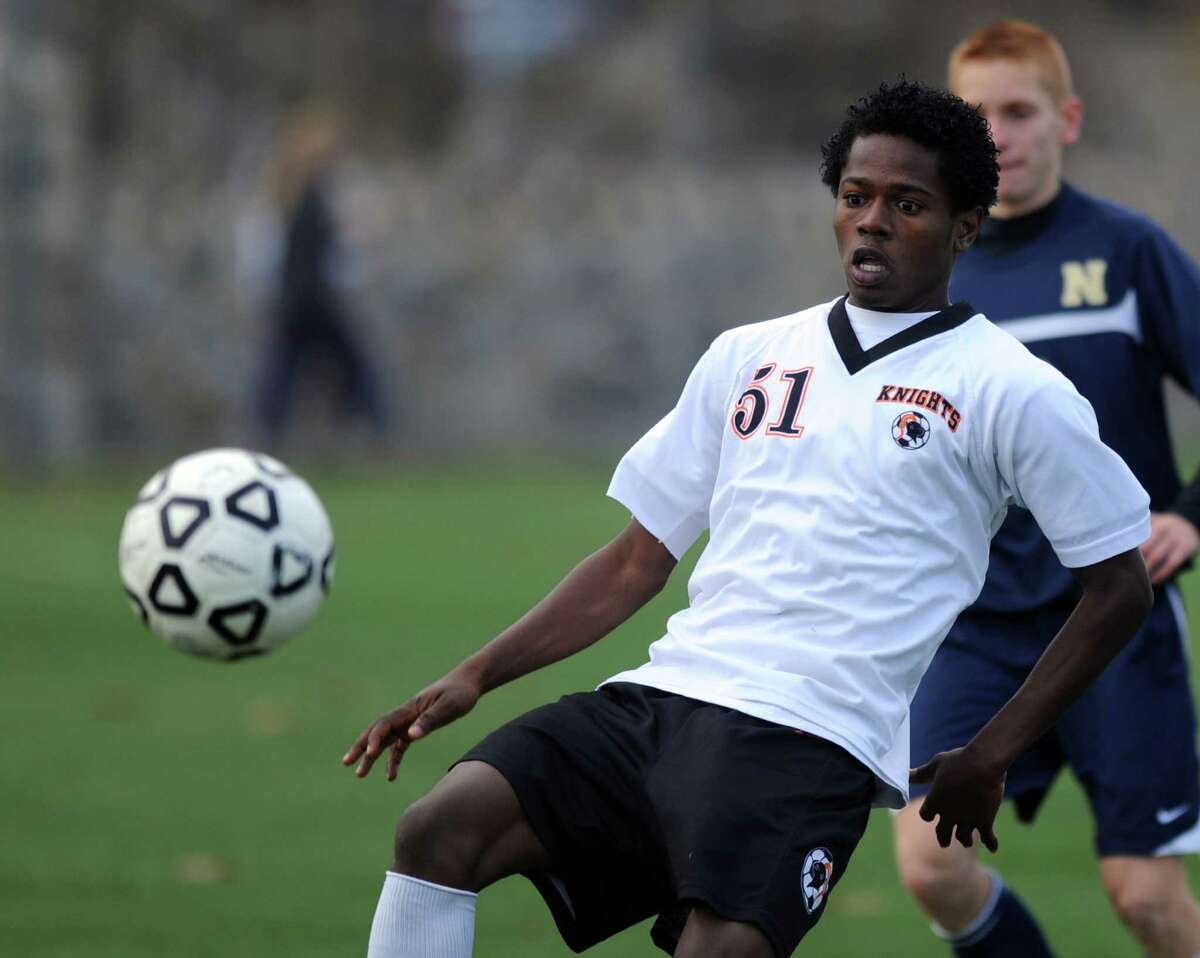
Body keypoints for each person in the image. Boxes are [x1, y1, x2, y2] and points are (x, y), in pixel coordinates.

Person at [344, 79, 1155, 958]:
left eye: (907, 204)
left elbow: (1120, 587)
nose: (873, 221)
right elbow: (633, 563)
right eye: (856, 197)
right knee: (438, 830)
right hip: (665, 699)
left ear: (964, 226)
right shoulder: (748, 355)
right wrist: (476, 674)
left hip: (813, 738)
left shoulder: (1012, 388)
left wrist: (992, 752)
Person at [892, 20, 1200, 958]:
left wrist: (1187, 511)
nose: (999, 135)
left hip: (1115, 616)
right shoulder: (926, 274)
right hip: (976, 626)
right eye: (976, 117)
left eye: (1019, 111)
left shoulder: (1126, 252)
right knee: (928, 862)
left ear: (1065, 119)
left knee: (1144, 896)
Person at [255, 104, 388, 445]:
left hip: (296, 299)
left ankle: (273, 429)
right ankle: (374, 429)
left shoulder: (293, 196)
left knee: (288, 369)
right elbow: (327, 254)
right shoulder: (308, 200)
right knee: (351, 364)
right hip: (312, 299)